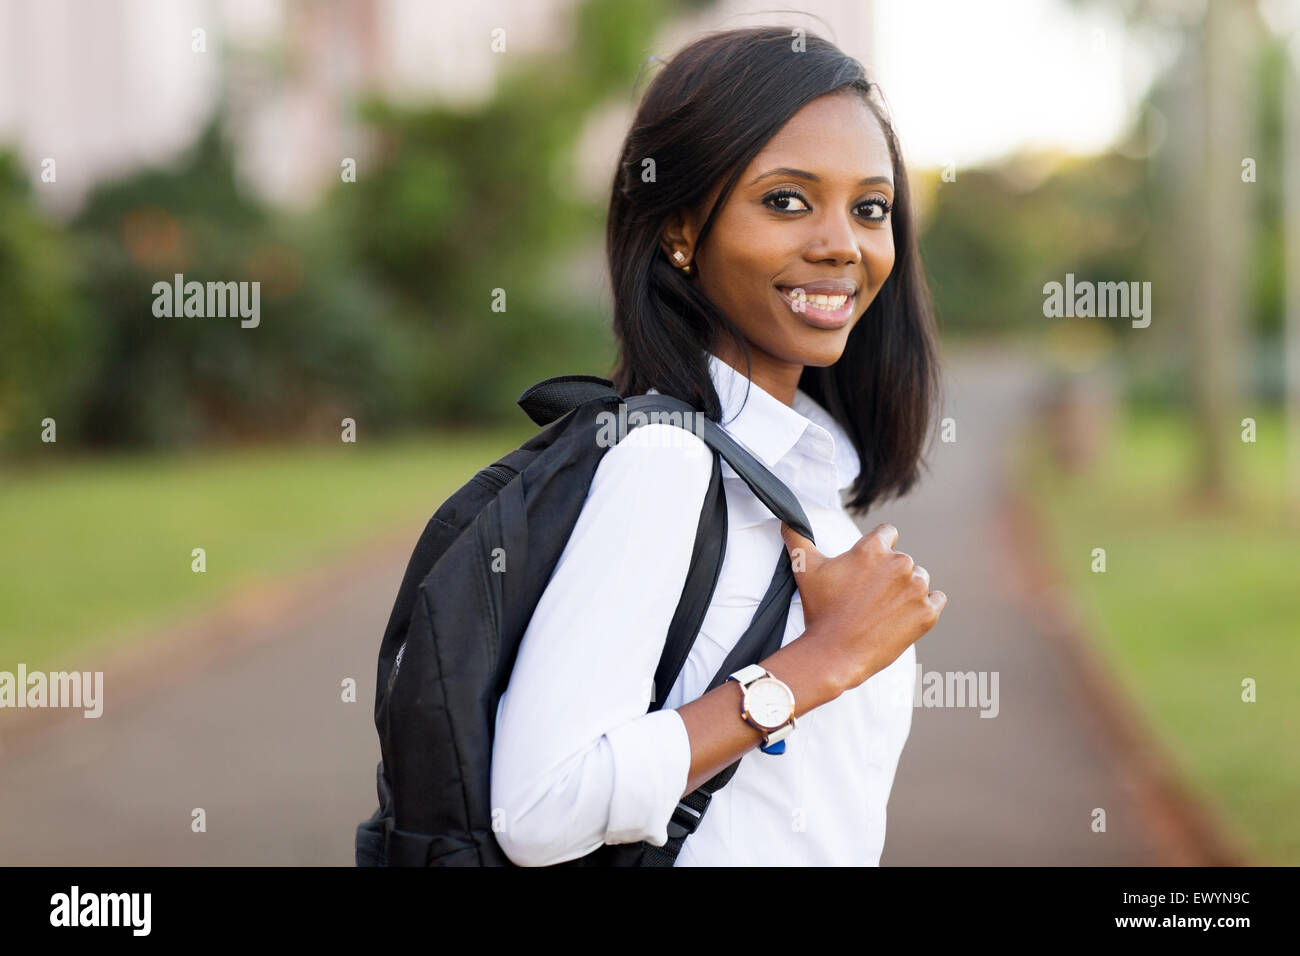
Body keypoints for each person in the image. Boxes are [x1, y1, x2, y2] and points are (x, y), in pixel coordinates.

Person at [490, 25, 947, 866]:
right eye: (786, 200)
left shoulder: (806, 475)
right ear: (679, 232)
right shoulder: (664, 465)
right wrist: (819, 663)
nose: (841, 243)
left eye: (870, 208)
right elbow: (539, 804)